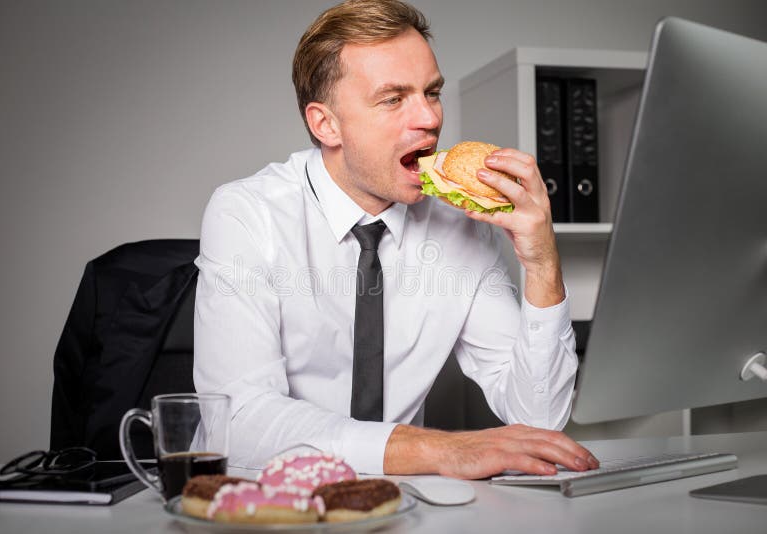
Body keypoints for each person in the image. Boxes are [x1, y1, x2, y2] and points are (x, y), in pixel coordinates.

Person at [194, 0, 598, 478]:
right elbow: (238, 422)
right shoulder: (247, 213)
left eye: (432, 92)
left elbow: (539, 421)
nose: (428, 118)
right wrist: (443, 450)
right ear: (326, 124)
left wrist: (542, 263)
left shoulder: (461, 223)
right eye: (393, 99)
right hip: (260, 504)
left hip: (400, 508)